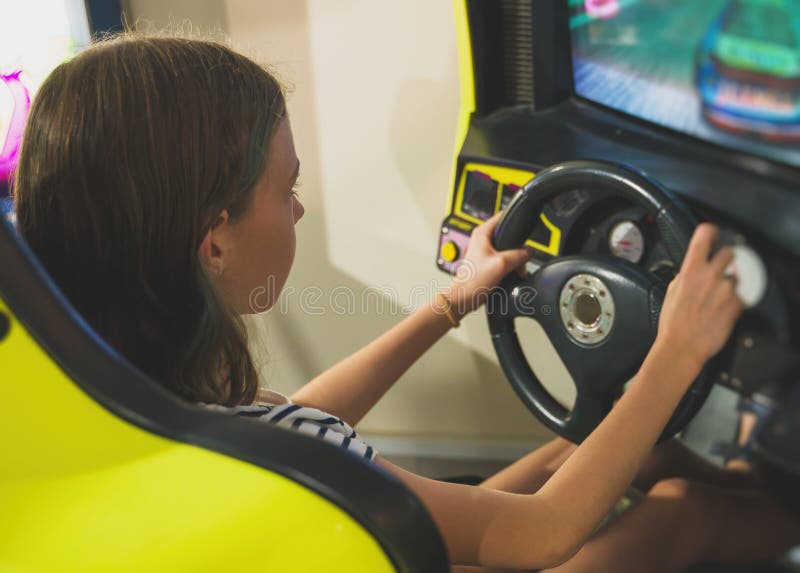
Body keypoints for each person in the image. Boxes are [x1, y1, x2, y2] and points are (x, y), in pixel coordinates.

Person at [13, 34, 800, 572]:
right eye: (285, 190)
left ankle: (750, 477)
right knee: (675, 512)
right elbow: (541, 533)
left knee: (640, 449)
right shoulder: (259, 436)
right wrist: (679, 350)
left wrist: (452, 302)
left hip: (316, 540)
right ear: (211, 240)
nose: (298, 211)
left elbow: (301, 426)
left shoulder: (115, 395)